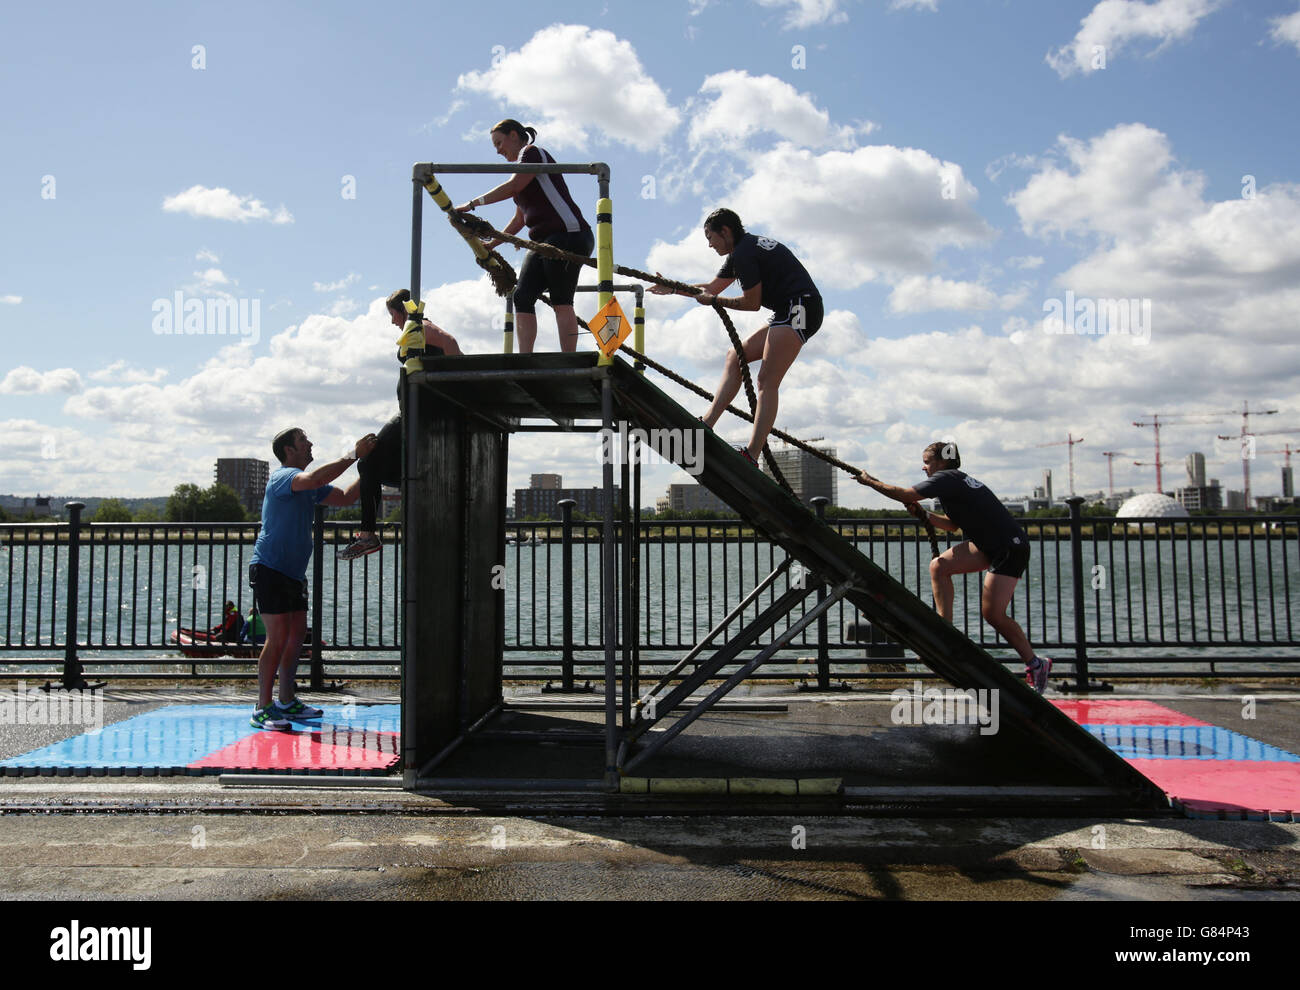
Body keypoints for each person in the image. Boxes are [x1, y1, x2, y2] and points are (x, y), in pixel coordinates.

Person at [855, 442, 1053, 693]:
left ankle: (1036, 664)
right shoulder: (954, 482)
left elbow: (905, 495)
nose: (923, 466)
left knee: (993, 614)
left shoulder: (946, 478)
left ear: (942, 462)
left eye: (927, 461)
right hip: (987, 545)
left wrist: (869, 481)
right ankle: (944, 629)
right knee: (939, 567)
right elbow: (952, 526)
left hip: (1008, 548)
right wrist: (925, 516)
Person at [650, 208, 822, 465]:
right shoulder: (741, 250)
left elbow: (750, 303)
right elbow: (710, 288)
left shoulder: (744, 253)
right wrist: (674, 287)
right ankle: (706, 423)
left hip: (801, 308)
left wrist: (715, 301)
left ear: (726, 231)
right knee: (734, 356)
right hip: (790, 309)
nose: (709, 244)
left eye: (710, 237)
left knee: (766, 380)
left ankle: (751, 454)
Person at [249, 426, 377, 729]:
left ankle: (286, 700)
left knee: (295, 638)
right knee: (278, 637)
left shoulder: (308, 486)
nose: (310, 444)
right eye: (303, 441)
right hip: (270, 568)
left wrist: (371, 466)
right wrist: (352, 454)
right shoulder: (283, 477)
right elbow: (317, 478)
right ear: (289, 450)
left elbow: (346, 497)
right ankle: (262, 706)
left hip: (293, 573)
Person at [338, 290, 462, 560]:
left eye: (392, 315)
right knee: (394, 471)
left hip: (419, 412)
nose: (392, 322)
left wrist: (454, 382)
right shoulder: (415, 328)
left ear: (400, 310)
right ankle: (403, 529)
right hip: (413, 412)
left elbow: (451, 343)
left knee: (368, 460)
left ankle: (368, 536)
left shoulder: (420, 326)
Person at [455, 119, 594, 353]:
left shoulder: (532, 153)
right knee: (522, 296)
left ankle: (569, 357)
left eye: (499, 143)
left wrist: (472, 204)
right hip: (543, 241)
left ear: (513, 135)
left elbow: (513, 186)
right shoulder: (521, 176)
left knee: (561, 299)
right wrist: (492, 245)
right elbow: (519, 220)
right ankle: (525, 358)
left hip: (568, 235)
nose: (498, 150)